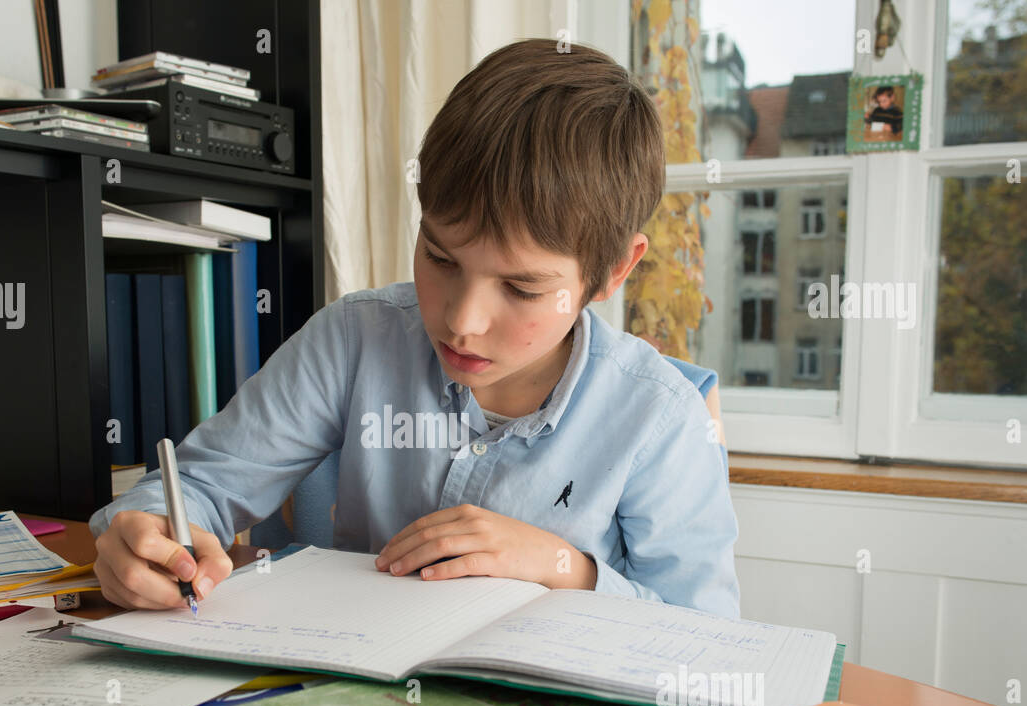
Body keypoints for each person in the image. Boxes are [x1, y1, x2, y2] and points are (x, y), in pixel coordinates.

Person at [90, 39, 741, 619]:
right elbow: (200, 485)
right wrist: (144, 534)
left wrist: (564, 566)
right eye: (439, 256)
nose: (461, 321)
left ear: (614, 270)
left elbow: (707, 635)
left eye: (521, 288)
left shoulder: (661, 420)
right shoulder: (354, 339)